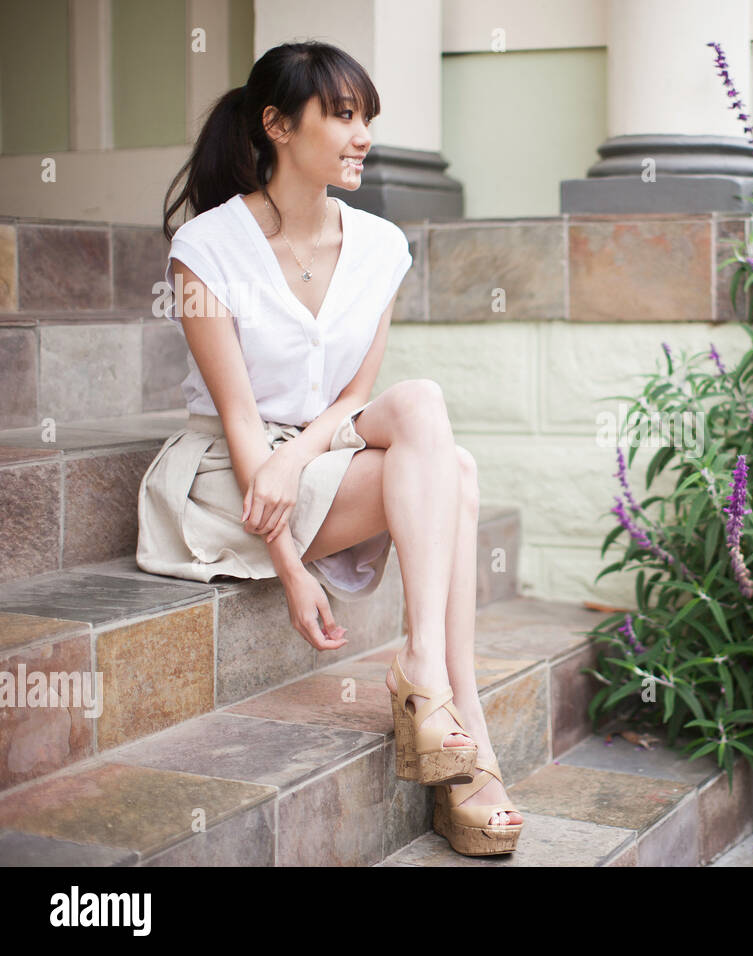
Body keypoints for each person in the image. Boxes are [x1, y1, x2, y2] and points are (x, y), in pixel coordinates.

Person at [139, 40, 521, 856]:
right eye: (343, 115)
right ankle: (469, 748)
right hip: (228, 476)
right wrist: (288, 567)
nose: (363, 135)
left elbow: (353, 400)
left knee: (430, 423)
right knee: (450, 468)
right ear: (276, 125)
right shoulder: (205, 249)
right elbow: (241, 420)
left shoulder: (382, 246)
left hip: (316, 453)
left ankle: (431, 684)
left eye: (367, 118)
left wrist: (296, 454)